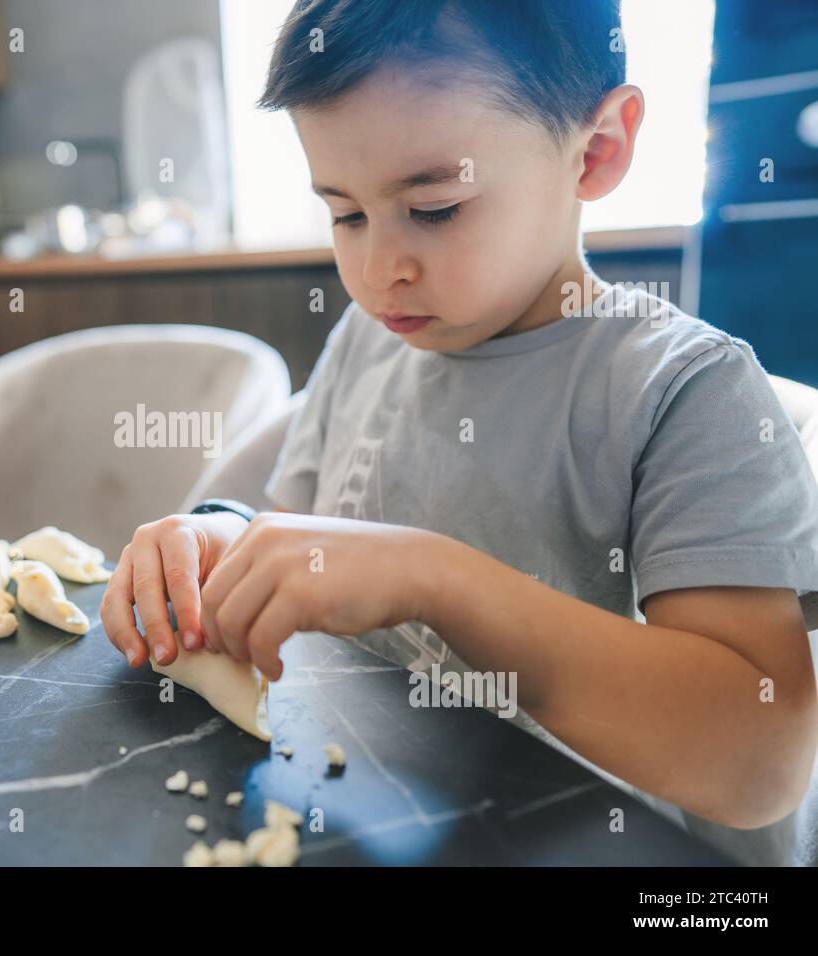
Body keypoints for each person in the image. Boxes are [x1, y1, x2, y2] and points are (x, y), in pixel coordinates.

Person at [100, 0, 818, 866]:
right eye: (346, 214)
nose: (377, 270)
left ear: (598, 149)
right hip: (391, 817)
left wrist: (434, 577)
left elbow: (759, 763)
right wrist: (220, 539)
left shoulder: (682, 393)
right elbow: (294, 536)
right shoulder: (368, 340)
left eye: (435, 208)